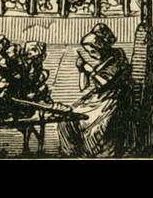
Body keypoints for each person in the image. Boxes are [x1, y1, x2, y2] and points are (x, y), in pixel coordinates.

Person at [56, 24, 135, 156]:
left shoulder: (117, 56)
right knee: (67, 119)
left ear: (101, 47)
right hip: (98, 97)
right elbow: (83, 87)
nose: (90, 55)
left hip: (114, 98)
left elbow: (105, 82)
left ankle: (92, 154)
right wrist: (81, 70)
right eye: (88, 52)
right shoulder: (97, 61)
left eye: (92, 51)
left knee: (94, 127)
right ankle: (71, 153)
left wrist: (89, 70)